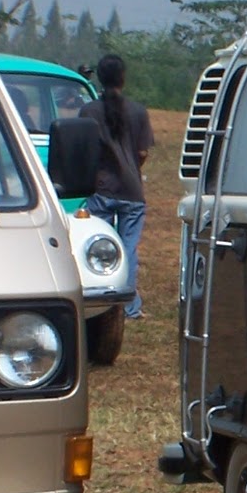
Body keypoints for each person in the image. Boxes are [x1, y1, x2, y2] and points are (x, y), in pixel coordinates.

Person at [78, 55, 154, 318]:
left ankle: (100, 301)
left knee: (99, 248)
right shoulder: (139, 112)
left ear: (99, 78)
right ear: (123, 78)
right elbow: (142, 152)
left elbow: (82, 150)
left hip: (100, 190)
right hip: (132, 192)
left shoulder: (88, 112)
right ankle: (130, 307)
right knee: (128, 249)